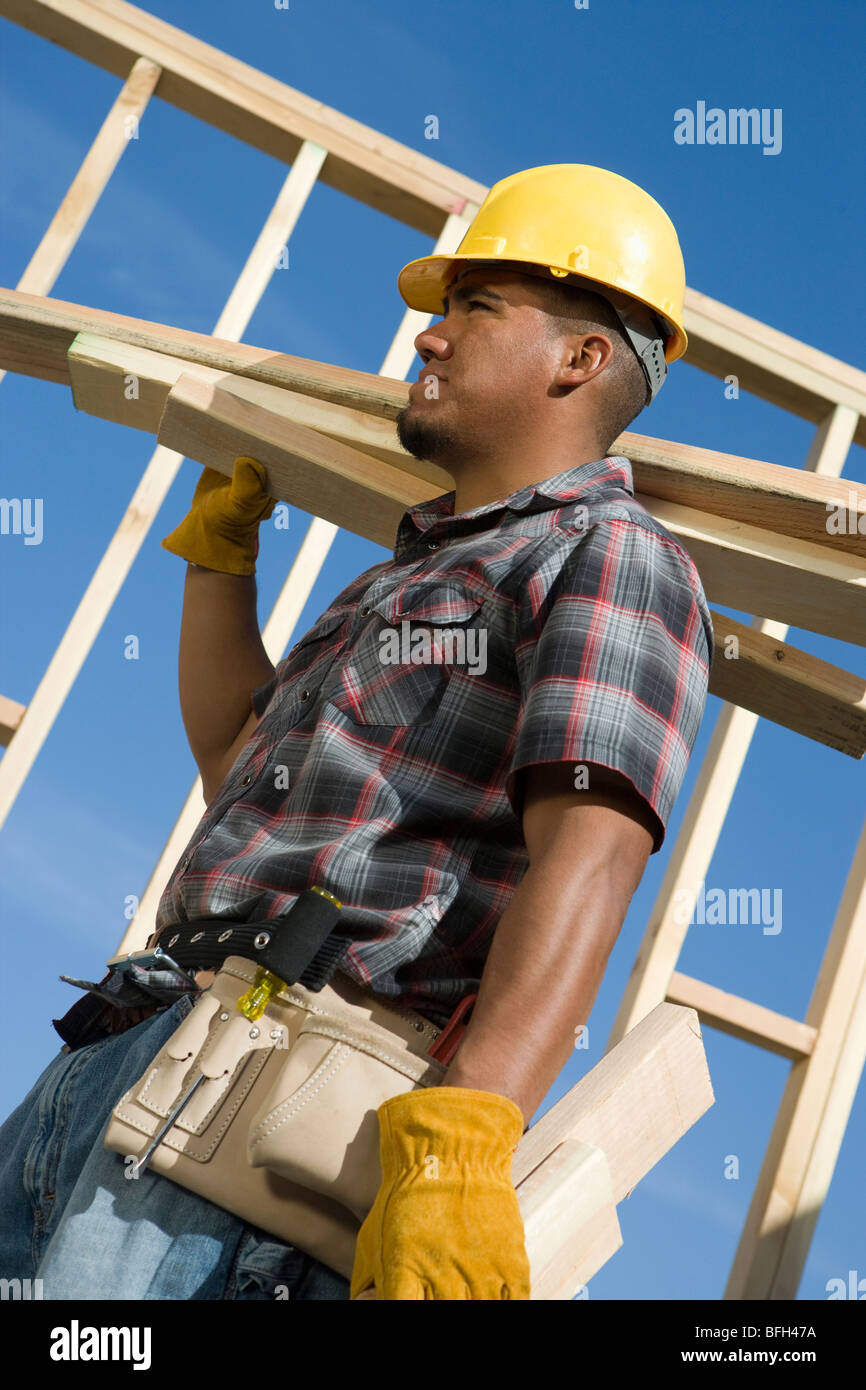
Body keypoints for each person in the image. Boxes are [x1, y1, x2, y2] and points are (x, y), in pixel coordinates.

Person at [0, 164, 714, 1300]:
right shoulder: (400, 577)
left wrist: (463, 1136)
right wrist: (216, 571)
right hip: (128, 1052)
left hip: (274, 1100)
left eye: (473, 309)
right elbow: (236, 766)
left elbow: (591, 850)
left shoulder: (608, 556)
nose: (425, 339)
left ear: (579, 359)